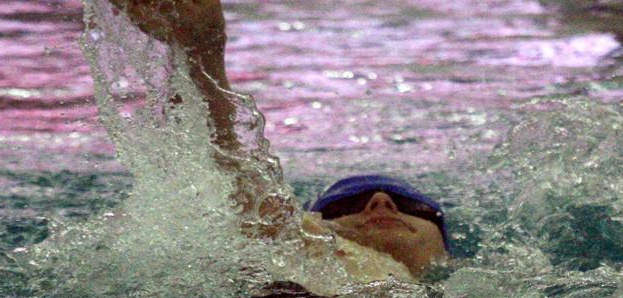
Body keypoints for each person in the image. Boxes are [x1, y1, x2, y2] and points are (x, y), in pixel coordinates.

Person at [101, 0, 451, 283]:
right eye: (349, 206)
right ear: (317, 224)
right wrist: (202, 54)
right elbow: (255, 202)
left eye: (410, 207)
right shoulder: (308, 250)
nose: (380, 202)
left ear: (445, 249)